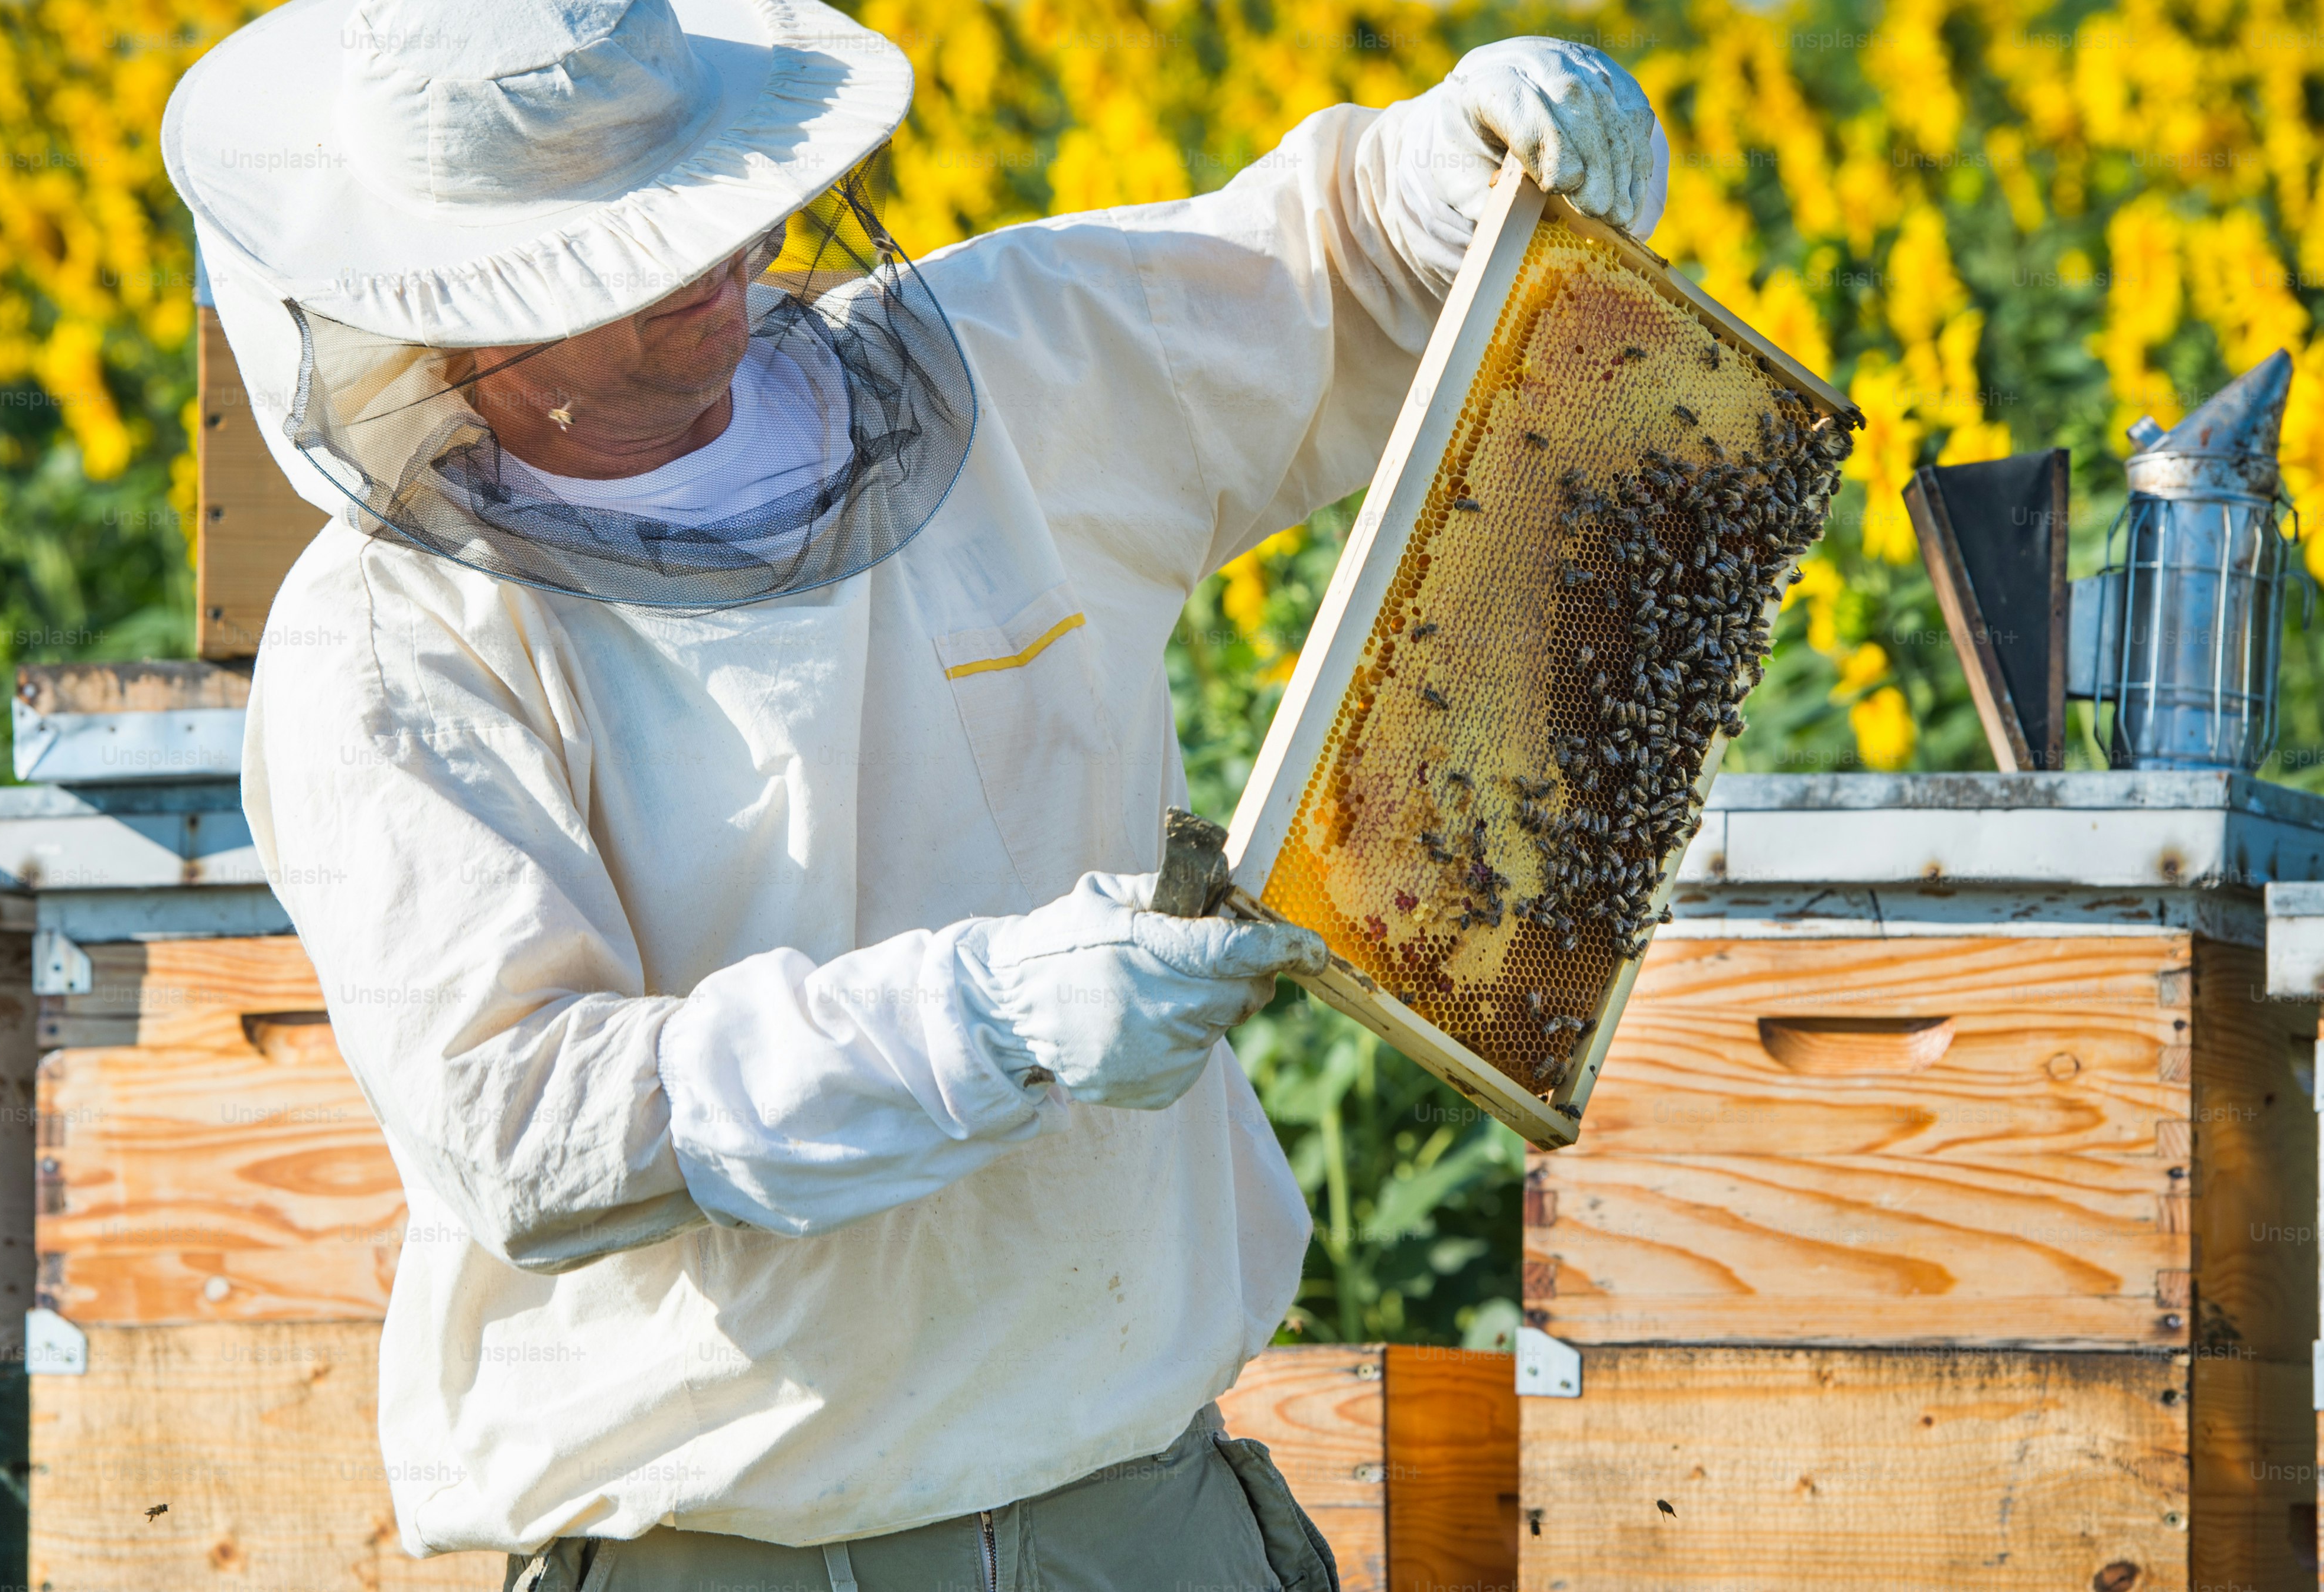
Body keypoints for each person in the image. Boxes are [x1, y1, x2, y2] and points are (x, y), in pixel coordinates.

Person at [163, 0, 1667, 1584]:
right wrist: (991, 1019)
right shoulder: (394, 646)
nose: (709, 258)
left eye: (696, 196)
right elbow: (529, 1120)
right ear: (453, 310)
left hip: (1140, 1514)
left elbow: (1319, 276)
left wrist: (1454, 172)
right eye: (616, 254)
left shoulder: (996, 369)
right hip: (726, 1546)